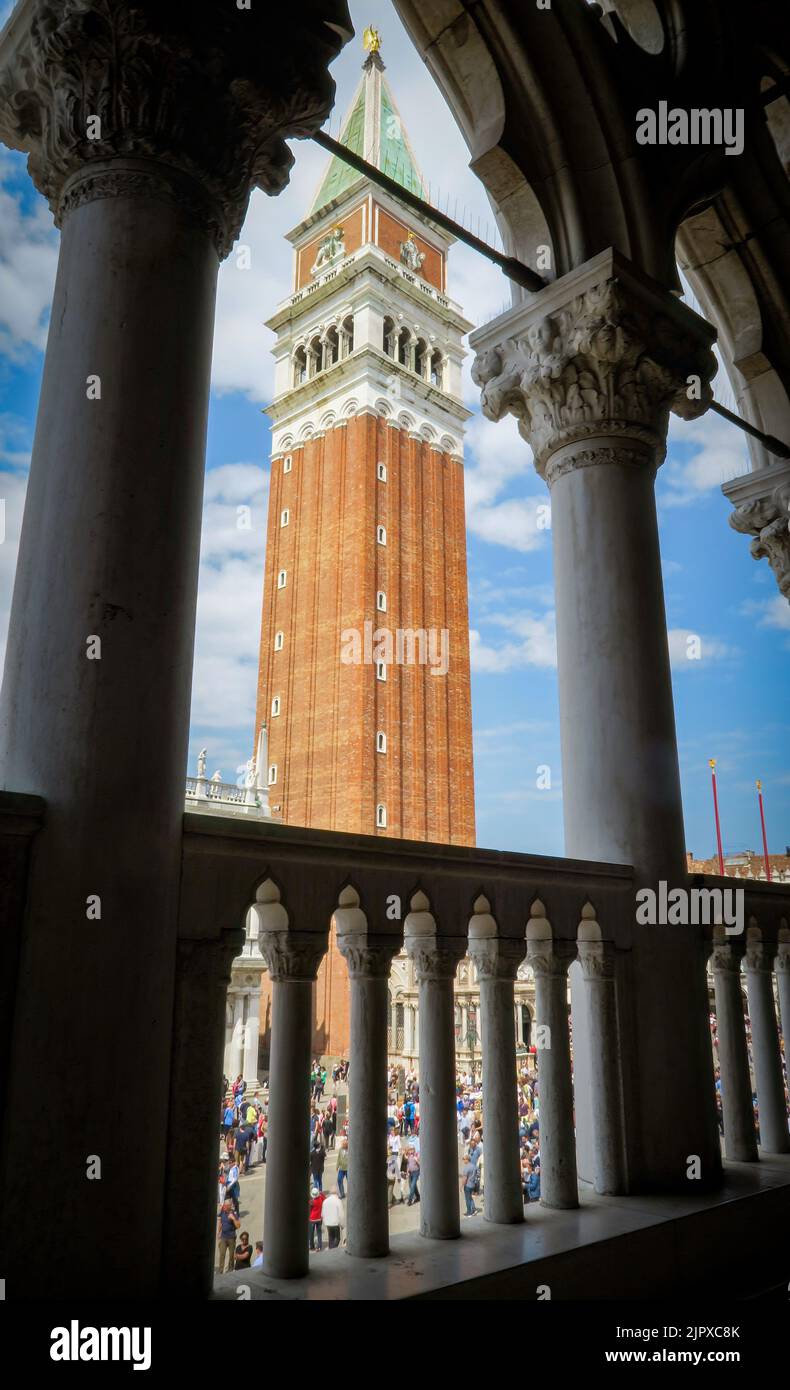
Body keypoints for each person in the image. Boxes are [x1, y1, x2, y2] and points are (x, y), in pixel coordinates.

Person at [216, 1199, 240, 1274]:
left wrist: (233, 1219)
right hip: (223, 1236)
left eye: (226, 1206)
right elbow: (220, 1222)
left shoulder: (234, 1213)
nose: (224, 1207)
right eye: (224, 1205)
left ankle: (230, 1269)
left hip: (231, 1237)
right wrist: (218, 1232)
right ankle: (220, 1270)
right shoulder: (222, 1212)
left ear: (229, 1206)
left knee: (231, 1255)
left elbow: (238, 1225)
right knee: (222, 1254)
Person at [309, 1186, 325, 1251]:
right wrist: (321, 1193)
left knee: (311, 1233)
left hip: (312, 1219)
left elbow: (309, 1209)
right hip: (319, 1218)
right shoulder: (321, 1197)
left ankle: (312, 1246)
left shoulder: (312, 1201)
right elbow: (325, 1199)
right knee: (319, 1233)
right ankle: (319, 1246)